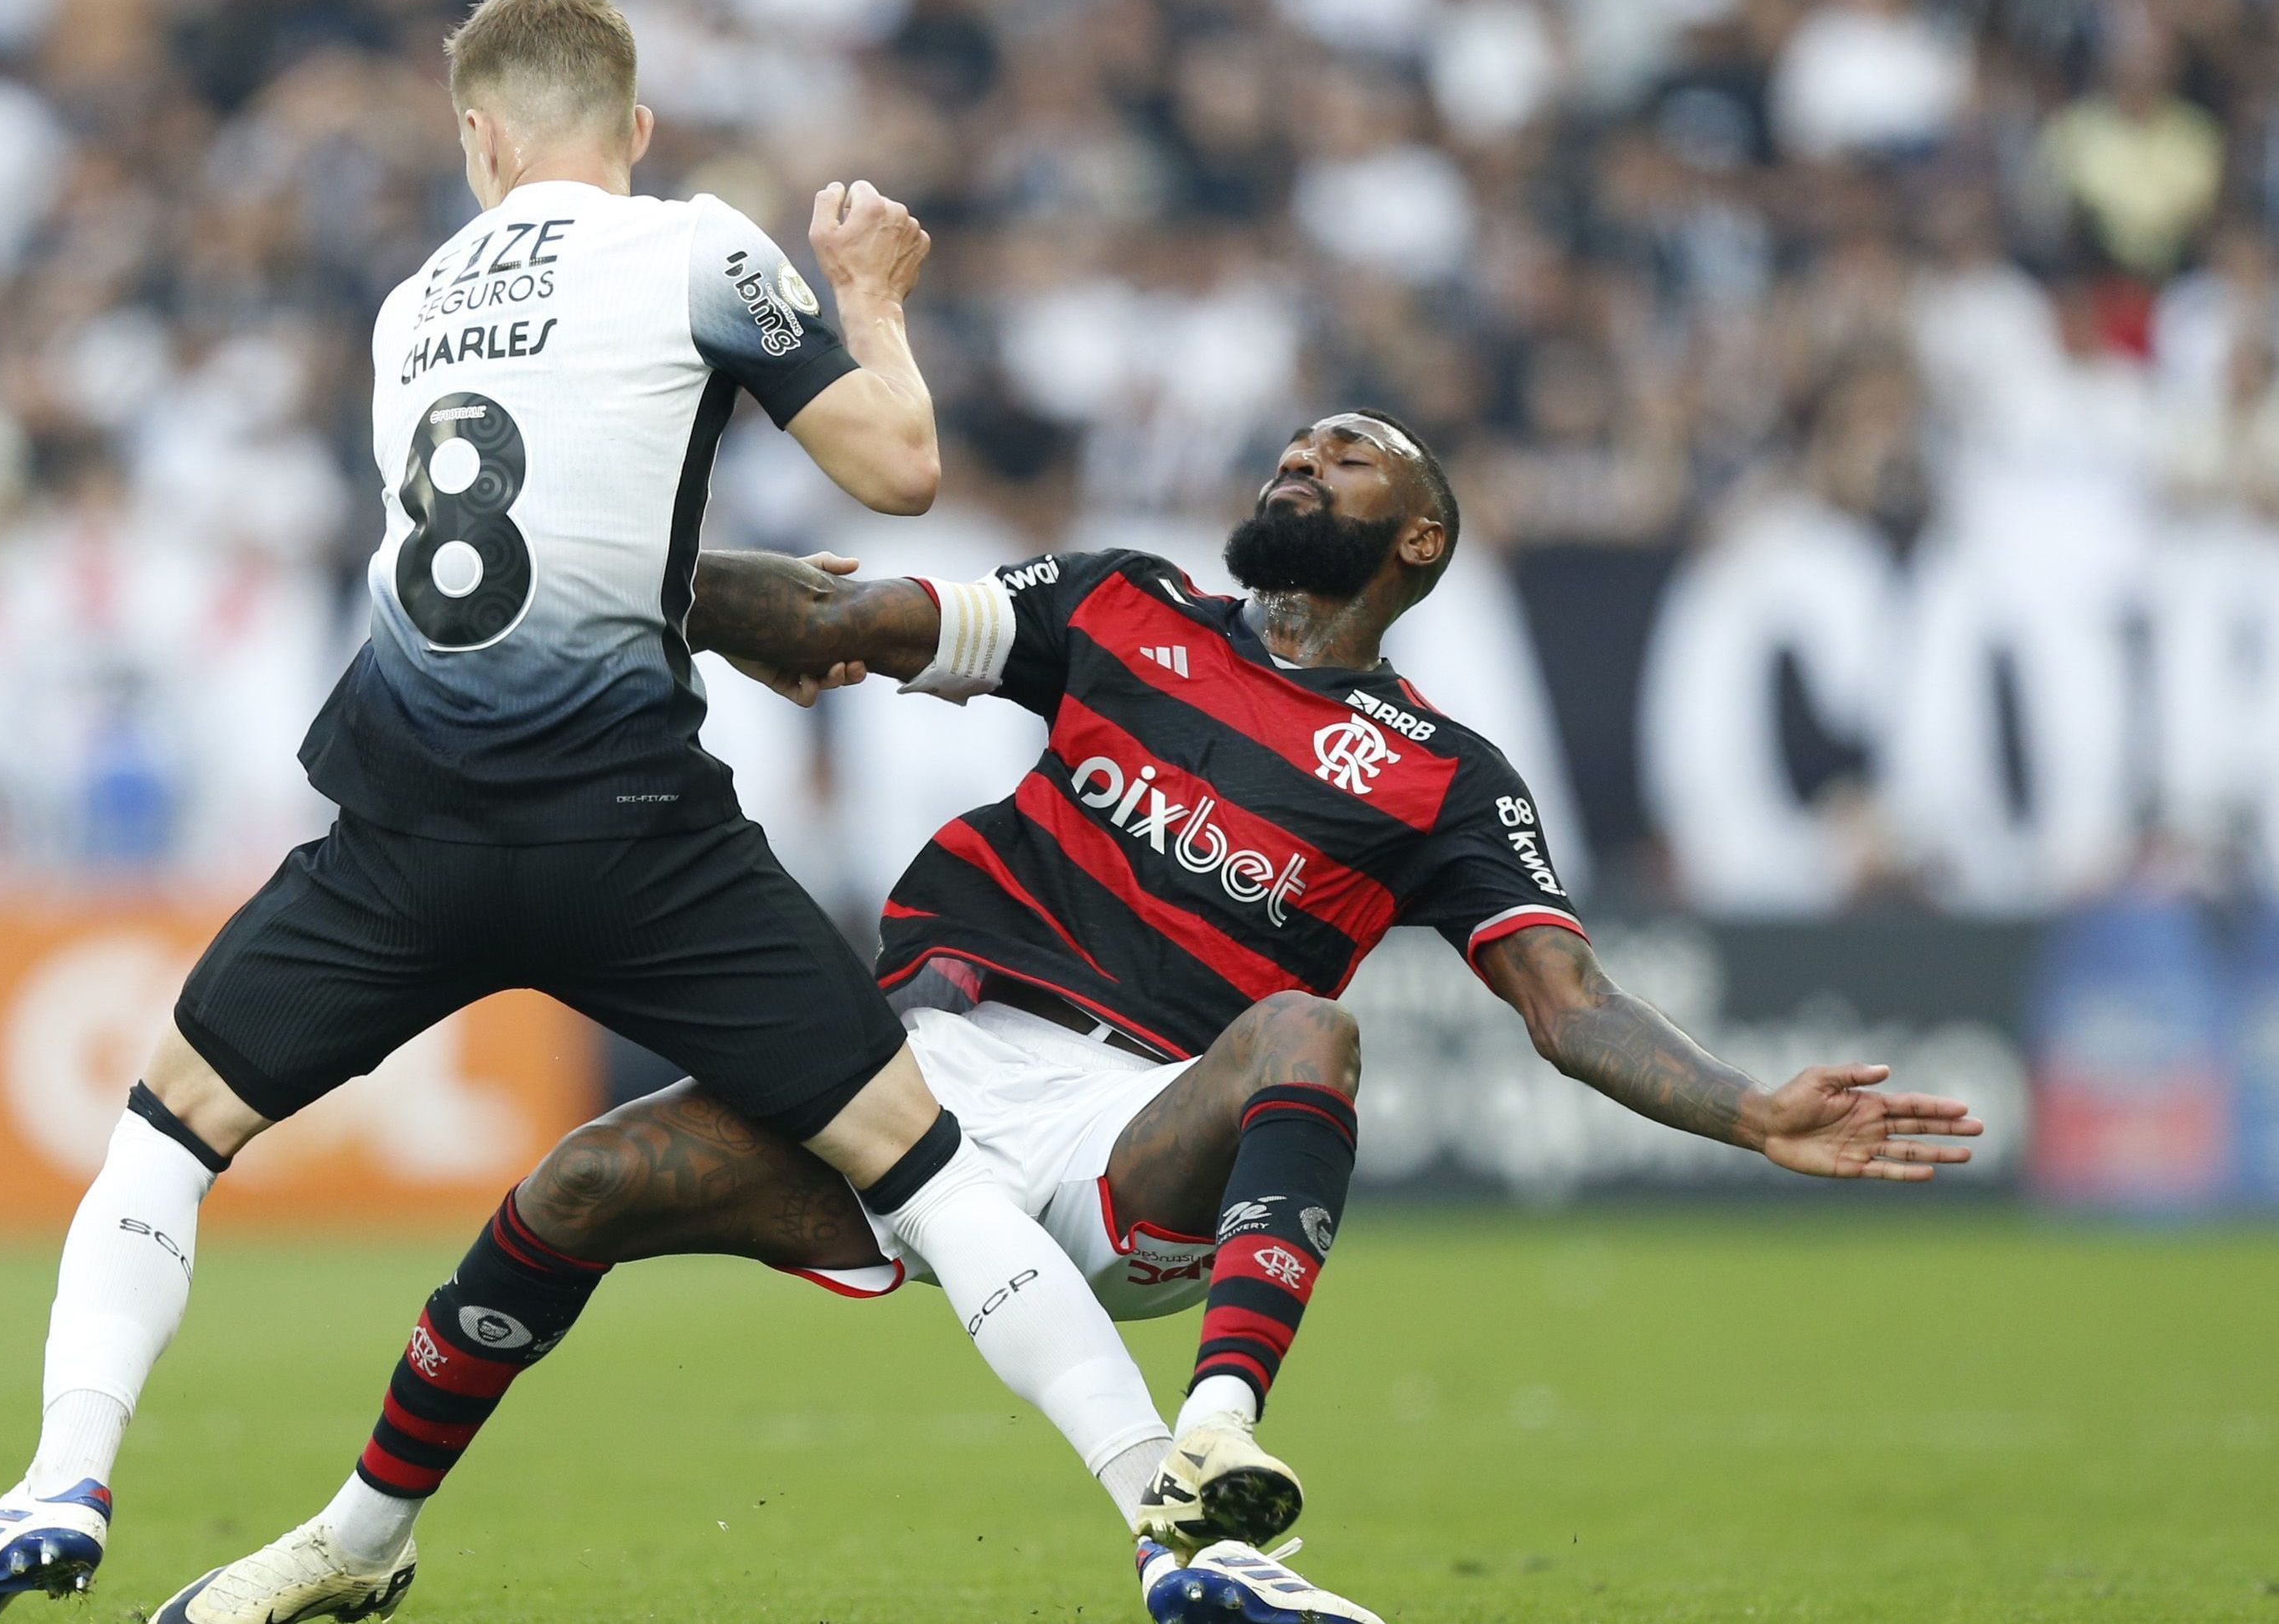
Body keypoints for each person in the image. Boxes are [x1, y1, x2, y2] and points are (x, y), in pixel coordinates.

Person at [0, 0, 1175, 1624]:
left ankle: (59, 1474)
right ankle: (1167, 1518)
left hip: (408, 830)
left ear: (476, 137)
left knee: (162, 1135)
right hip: (635, 834)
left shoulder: (408, 303)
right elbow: (898, 470)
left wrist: (693, 595)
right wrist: (872, 297)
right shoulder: (697, 246)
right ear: (633, 129)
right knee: (927, 1174)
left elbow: (521, 549)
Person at [355, 408, 1985, 1623]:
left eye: (1347, 457)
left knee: (1302, 1030)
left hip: (1127, 1141)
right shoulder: (1117, 604)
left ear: (1417, 540)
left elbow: (1567, 1006)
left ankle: (1212, 1447)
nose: (1301, 459)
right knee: (577, 1178)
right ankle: (354, 1543)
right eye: (1292, 446)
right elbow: (843, 624)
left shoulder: (1440, 776)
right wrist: (602, 578)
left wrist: (1746, 1108)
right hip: (901, 1074)